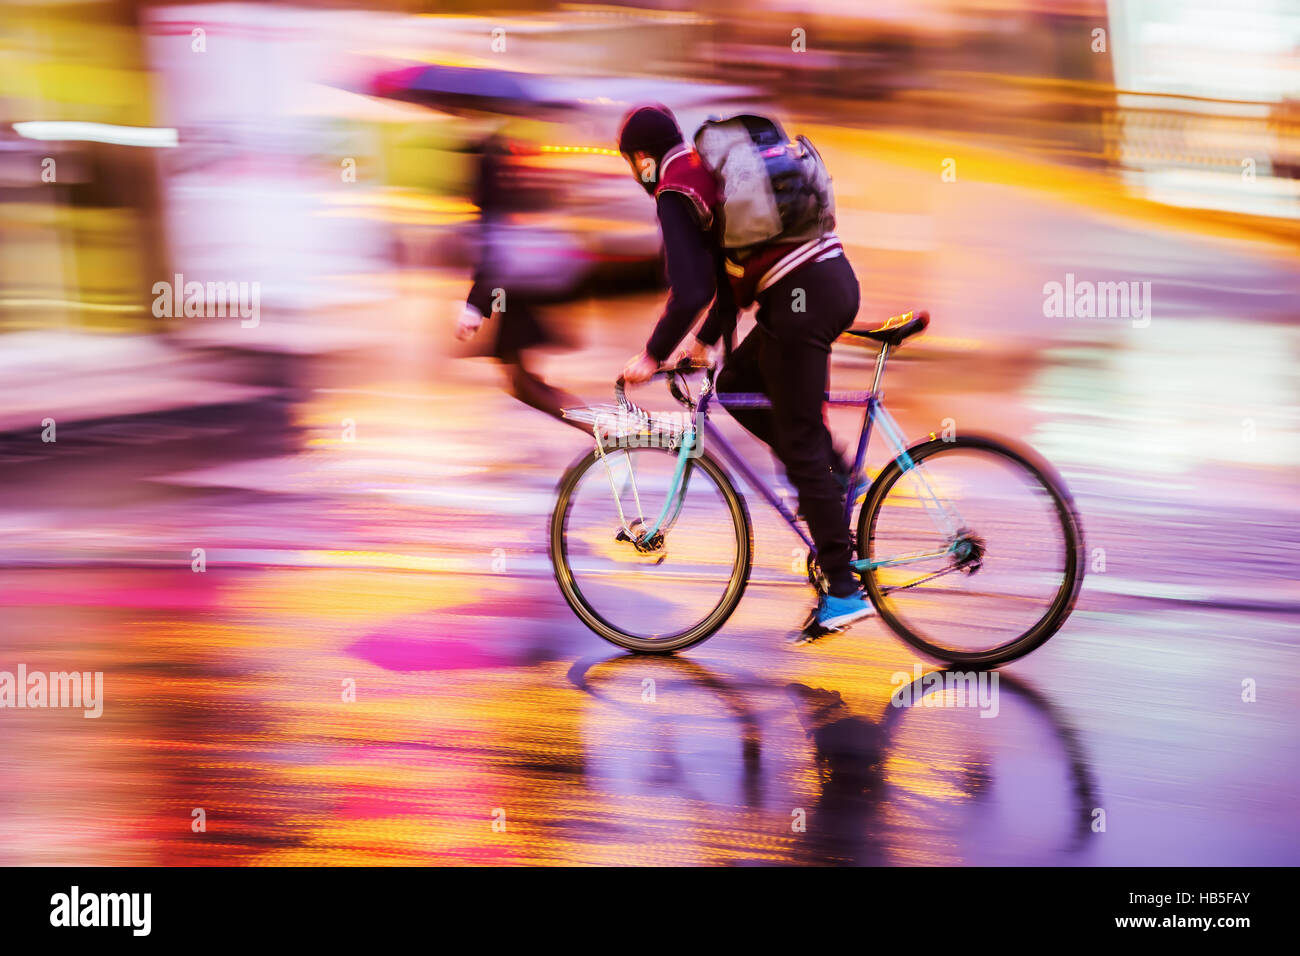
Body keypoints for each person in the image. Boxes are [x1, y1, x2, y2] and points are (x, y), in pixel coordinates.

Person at [616, 104, 876, 634]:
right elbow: (725, 284)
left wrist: (652, 354)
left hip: (801, 295)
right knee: (736, 385)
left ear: (641, 159)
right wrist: (706, 343)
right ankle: (838, 480)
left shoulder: (674, 189)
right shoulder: (708, 177)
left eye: (633, 164)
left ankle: (845, 590)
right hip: (822, 283)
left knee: (800, 441)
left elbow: (692, 288)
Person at [456, 131, 585, 431]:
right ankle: (587, 421)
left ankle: (591, 424)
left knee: (522, 382)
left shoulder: (492, 211)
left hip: (516, 302)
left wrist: (473, 310)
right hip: (517, 300)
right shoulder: (506, 204)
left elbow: (491, 265)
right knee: (520, 380)